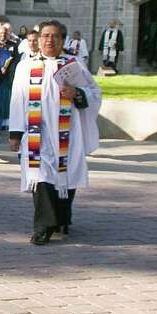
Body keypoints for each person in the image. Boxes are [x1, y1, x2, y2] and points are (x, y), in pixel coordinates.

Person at [9, 19, 102, 246]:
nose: (49, 40)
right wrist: (15, 132)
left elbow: (94, 92)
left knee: (65, 176)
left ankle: (62, 218)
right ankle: (43, 226)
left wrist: (77, 93)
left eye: (55, 36)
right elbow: (17, 99)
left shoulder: (73, 65)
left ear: (63, 40)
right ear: (38, 40)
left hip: (67, 132)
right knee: (40, 177)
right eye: (45, 36)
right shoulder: (26, 66)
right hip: (36, 133)